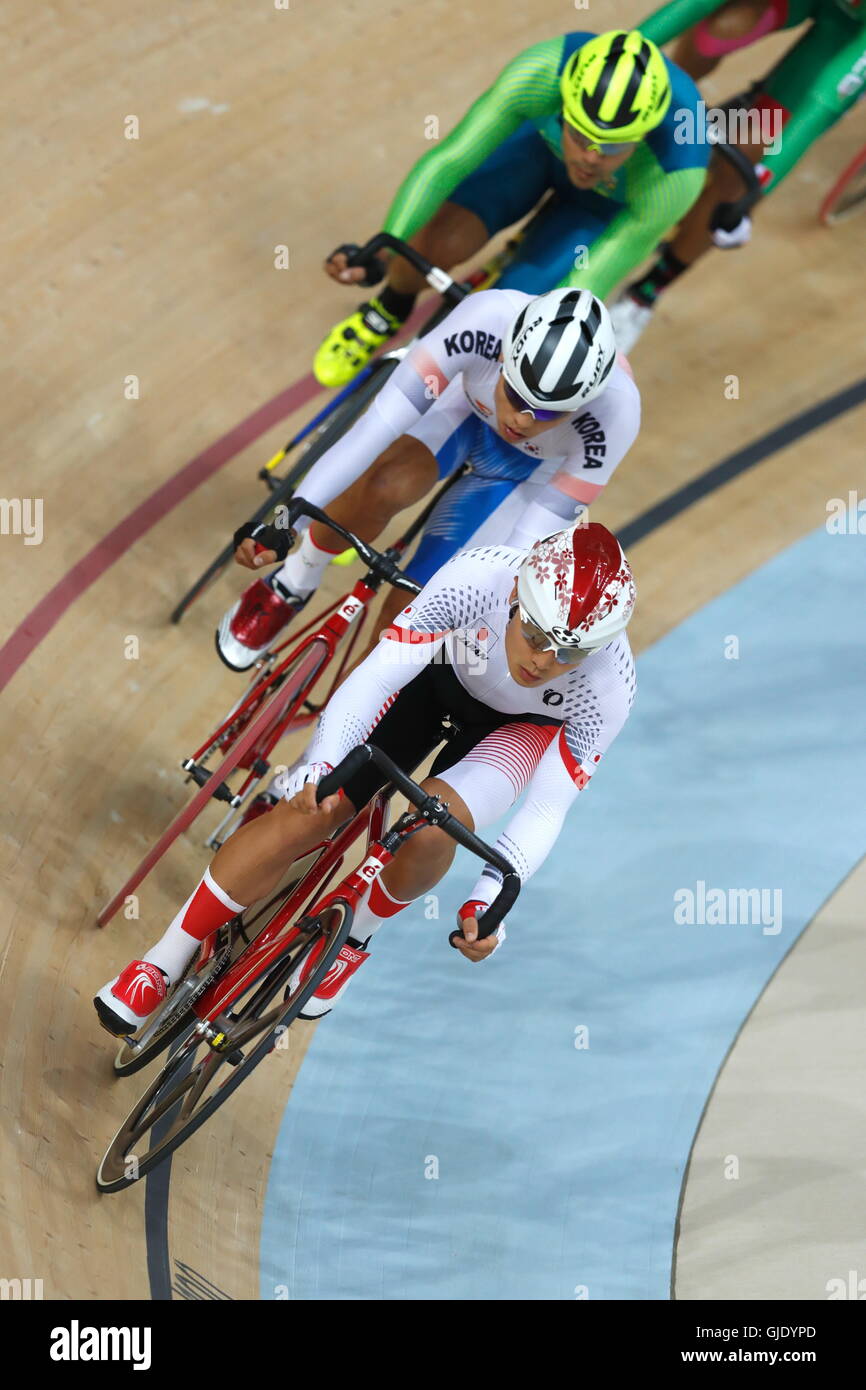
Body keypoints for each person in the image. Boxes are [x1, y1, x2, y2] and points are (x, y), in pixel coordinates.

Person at [94, 520, 636, 1033]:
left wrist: (489, 898)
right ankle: (161, 961)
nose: (544, 661)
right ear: (517, 597)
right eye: (537, 637)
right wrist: (323, 767)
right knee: (315, 811)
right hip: (430, 682)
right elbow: (377, 676)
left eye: (570, 652)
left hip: (513, 734)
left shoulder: (609, 684)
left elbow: (547, 807)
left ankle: (354, 938)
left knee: (432, 829)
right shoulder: (481, 577)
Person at [217, 284, 640, 672]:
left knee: (419, 607)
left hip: (530, 475)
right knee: (384, 484)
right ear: (505, 357)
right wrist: (283, 524)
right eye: (515, 394)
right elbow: (371, 433)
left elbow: (515, 555)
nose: (522, 419)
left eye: (548, 413)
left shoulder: (615, 417)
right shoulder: (484, 319)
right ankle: (294, 580)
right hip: (465, 410)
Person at [312, 28, 708, 387]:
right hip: (537, 151)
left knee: (507, 326)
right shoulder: (540, 72)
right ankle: (387, 309)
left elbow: (589, 283)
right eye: (581, 135)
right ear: (565, 106)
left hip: (599, 211)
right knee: (431, 245)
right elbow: (448, 162)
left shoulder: (679, 168)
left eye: (613, 147)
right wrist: (384, 247)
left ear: (642, 135)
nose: (591, 157)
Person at [610, 0, 866, 349]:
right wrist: (621, 51)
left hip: (850, 40)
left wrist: (753, 189)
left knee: (743, 165)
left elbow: (818, 105)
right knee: (721, 27)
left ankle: (645, 294)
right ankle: (643, 112)